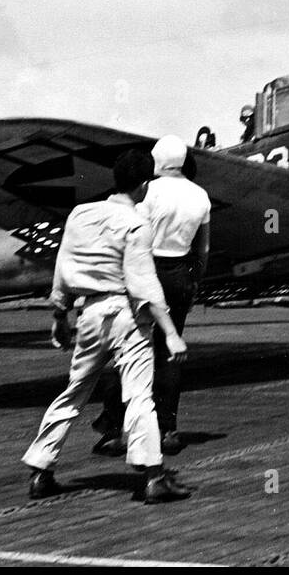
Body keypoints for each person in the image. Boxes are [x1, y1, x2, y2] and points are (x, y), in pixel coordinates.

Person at [22, 149, 191, 504]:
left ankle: (41, 469)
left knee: (74, 392)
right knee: (139, 396)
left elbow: (63, 268)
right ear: (144, 185)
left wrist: (60, 316)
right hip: (126, 315)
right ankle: (154, 478)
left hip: (89, 314)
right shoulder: (136, 225)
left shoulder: (79, 214)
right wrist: (173, 334)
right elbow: (144, 285)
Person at [94, 136, 211, 457]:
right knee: (169, 354)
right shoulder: (201, 196)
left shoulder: (147, 191)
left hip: (145, 270)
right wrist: (195, 279)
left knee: (129, 351)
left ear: (157, 162)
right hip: (180, 274)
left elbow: (127, 231)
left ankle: (115, 431)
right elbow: (203, 248)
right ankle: (168, 431)